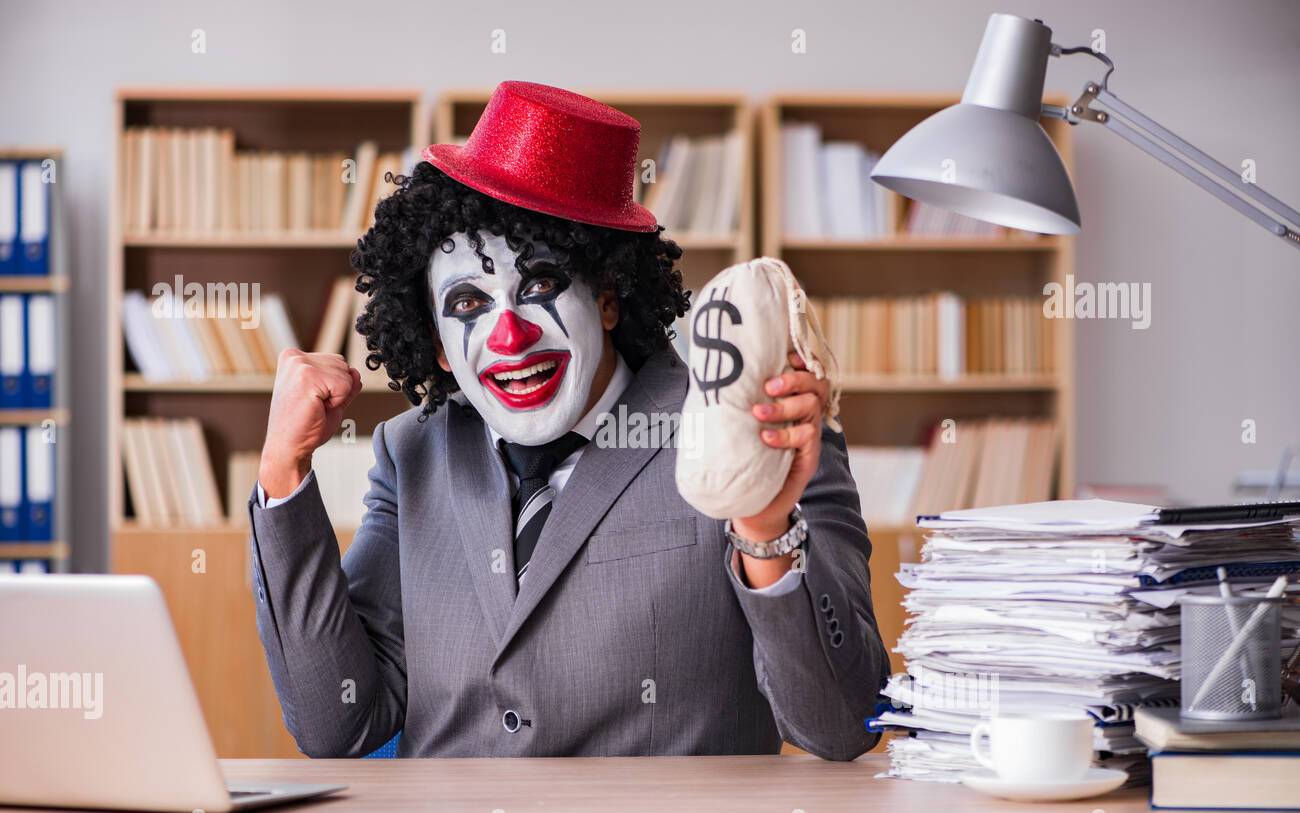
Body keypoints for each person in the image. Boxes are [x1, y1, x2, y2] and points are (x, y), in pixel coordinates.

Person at [247, 80, 889, 760]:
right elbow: (336, 721)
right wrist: (282, 474)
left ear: (608, 296)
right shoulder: (413, 452)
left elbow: (843, 726)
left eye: (541, 285)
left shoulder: (754, 424)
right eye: (468, 304)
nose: (509, 338)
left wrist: (763, 529)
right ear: (435, 339)